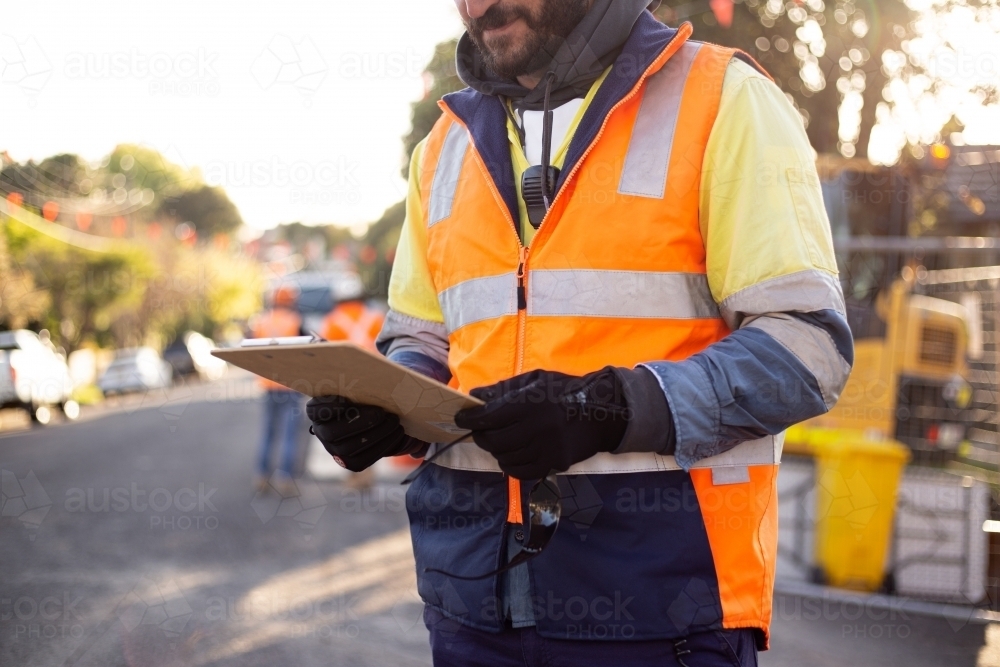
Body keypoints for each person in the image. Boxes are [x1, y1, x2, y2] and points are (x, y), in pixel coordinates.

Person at [307, 1, 853, 665]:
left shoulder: (726, 102)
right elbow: (422, 341)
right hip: (471, 603)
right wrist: (391, 405)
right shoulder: (441, 149)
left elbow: (808, 351)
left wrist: (613, 407)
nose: (477, 6)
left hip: (660, 604)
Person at [320, 284, 385, 490]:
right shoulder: (376, 317)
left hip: (344, 382)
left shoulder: (332, 320)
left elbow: (325, 356)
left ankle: (354, 475)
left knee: (347, 430)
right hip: (374, 378)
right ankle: (369, 474)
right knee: (374, 426)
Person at [252, 284, 307, 493]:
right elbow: (307, 350)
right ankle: (285, 479)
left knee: (268, 433)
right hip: (290, 386)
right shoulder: (295, 322)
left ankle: (261, 477)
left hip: (268, 385)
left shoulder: (261, 321)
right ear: (290, 300)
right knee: (289, 435)